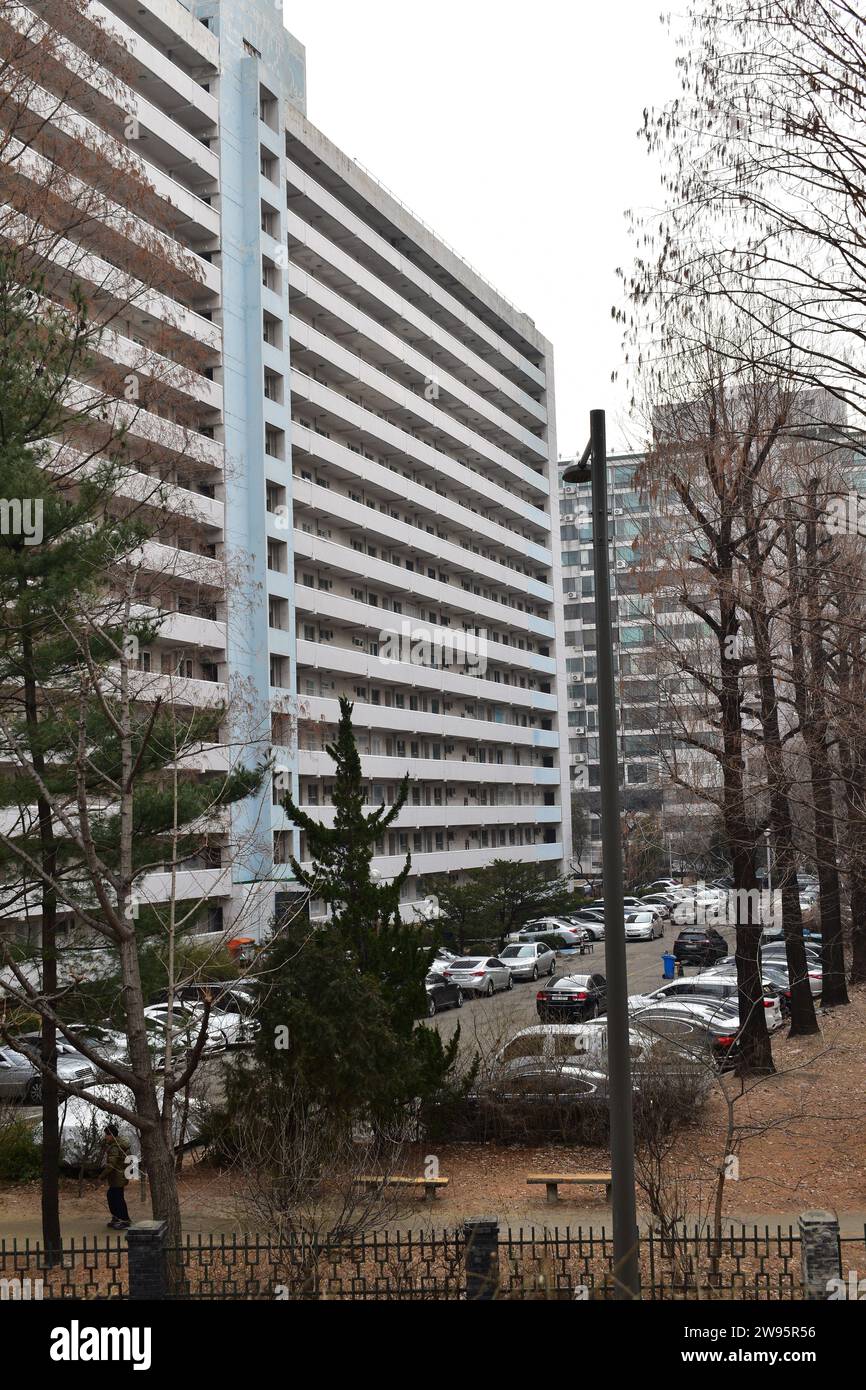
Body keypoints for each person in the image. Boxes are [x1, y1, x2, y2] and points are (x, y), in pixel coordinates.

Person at [101, 1124, 132, 1230]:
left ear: (111, 1135)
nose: (105, 1137)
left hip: (118, 1176)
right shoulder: (119, 1144)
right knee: (112, 1195)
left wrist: (101, 1176)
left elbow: (111, 1165)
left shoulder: (115, 1147)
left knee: (117, 1198)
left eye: (106, 1134)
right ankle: (117, 1217)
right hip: (120, 1175)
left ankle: (125, 1220)